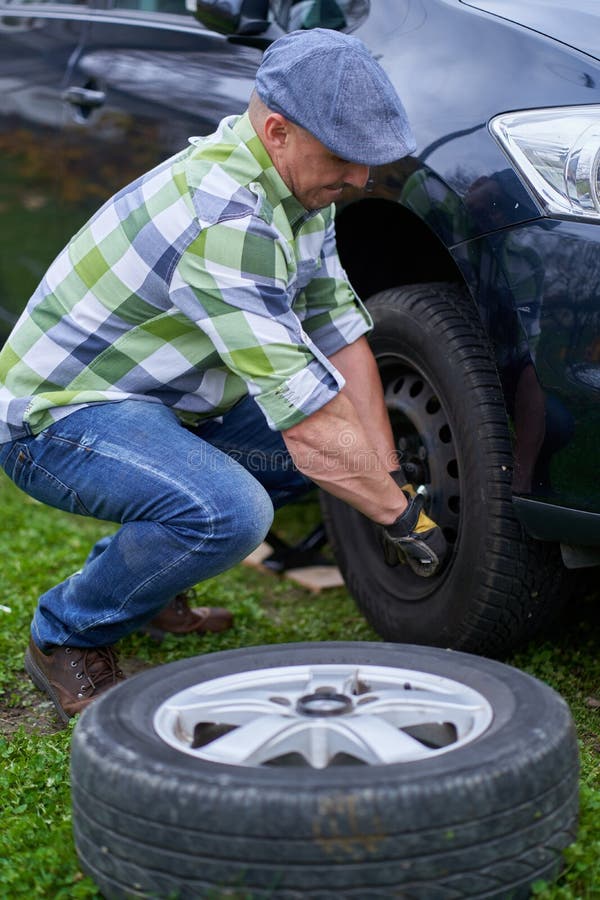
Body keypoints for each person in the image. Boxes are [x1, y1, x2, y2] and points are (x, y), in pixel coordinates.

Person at [0, 28, 446, 724]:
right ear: (277, 130)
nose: (361, 180)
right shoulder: (226, 215)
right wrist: (404, 519)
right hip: (58, 419)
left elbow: (340, 336)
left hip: (158, 404)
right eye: (344, 159)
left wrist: (387, 479)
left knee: (325, 460)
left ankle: (146, 585)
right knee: (230, 513)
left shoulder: (301, 192)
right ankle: (67, 635)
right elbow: (308, 422)